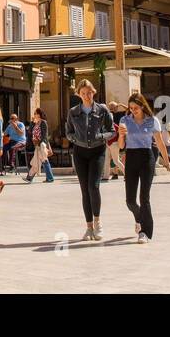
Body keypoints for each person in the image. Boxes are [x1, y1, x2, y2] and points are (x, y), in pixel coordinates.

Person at [118, 92, 170, 242]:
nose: (133, 110)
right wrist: (121, 135)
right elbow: (121, 146)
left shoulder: (152, 121)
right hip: (130, 158)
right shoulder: (125, 120)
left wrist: (167, 162)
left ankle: (145, 233)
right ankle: (139, 218)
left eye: (136, 108)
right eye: (131, 108)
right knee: (130, 201)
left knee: (144, 197)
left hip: (147, 158)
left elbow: (160, 142)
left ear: (143, 106)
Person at [66, 79, 117, 241]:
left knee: (93, 186)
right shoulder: (73, 112)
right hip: (80, 152)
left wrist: (100, 137)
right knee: (84, 189)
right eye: (83, 93)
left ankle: (98, 222)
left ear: (93, 92)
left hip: (97, 151)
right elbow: (68, 131)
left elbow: (111, 131)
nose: (87, 96)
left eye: (89, 93)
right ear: (79, 94)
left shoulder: (102, 110)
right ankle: (88, 227)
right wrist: (76, 139)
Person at [25, 108, 54, 183]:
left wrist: (41, 143)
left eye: (35, 113)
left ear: (39, 114)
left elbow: (45, 135)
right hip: (37, 145)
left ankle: (30, 177)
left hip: (42, 144)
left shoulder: (43, 122)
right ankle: (30, 178)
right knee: (38, 161)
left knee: (42, 160)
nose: (34, 115)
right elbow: (29, 132)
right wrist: (32, 122)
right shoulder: (35, 123)